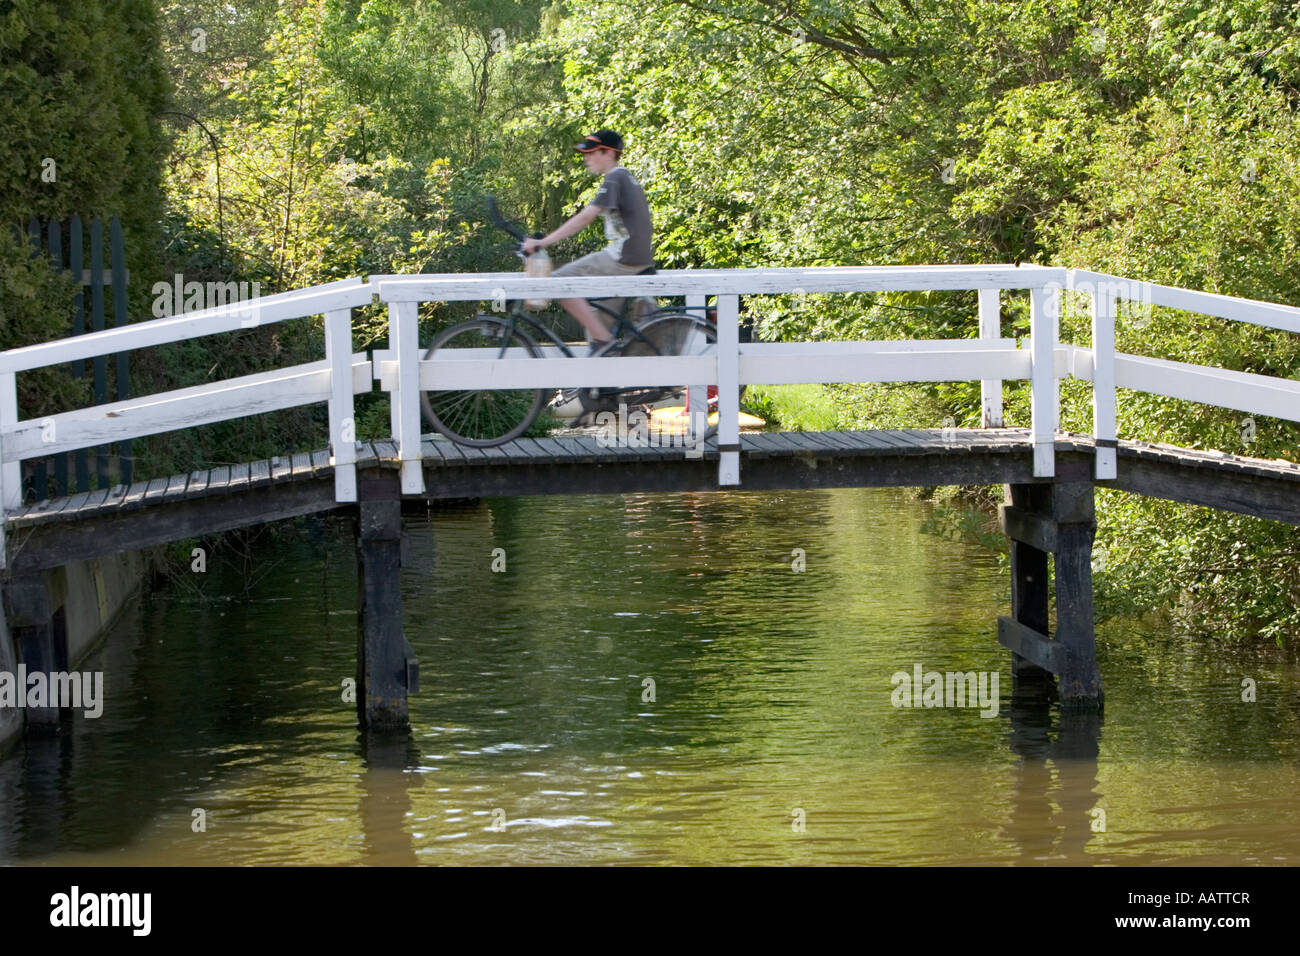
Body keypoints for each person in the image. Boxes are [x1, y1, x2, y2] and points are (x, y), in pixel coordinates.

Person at [520, 129, 655, 351]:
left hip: (623, 259)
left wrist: (541, 243)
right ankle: (603, 372)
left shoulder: (614, 177)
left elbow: (585, 217)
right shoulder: (625, 177)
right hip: (636, 259)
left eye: (592, 152)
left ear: (609, 153)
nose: (586, 157)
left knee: (559, 282)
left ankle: (607, 342)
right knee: (597, 322)